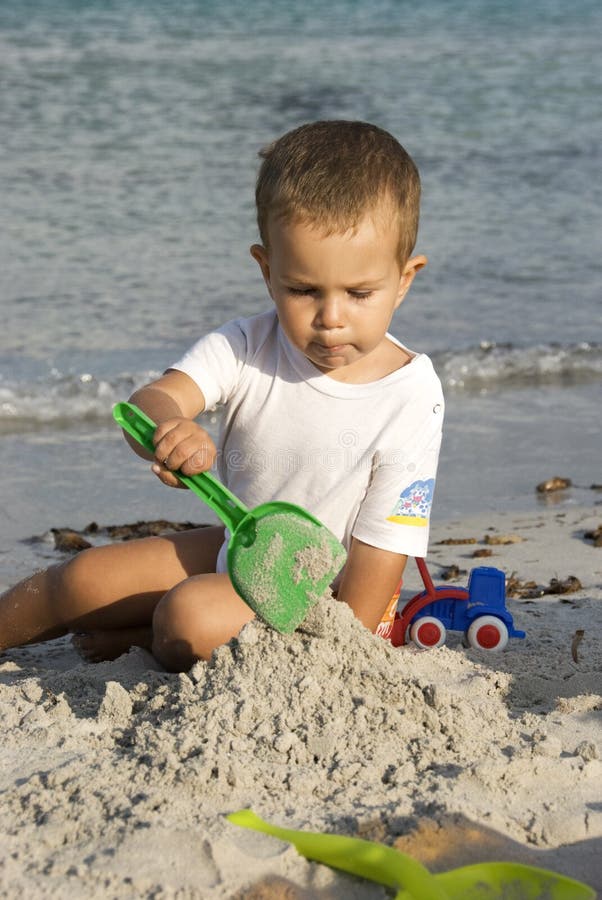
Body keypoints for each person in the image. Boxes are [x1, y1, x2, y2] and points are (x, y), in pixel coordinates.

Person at [0, 121, 444, 672]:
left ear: (404, 280)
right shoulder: (246, 346)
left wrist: (343, 644)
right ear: (267, 270)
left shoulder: (410, 394)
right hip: (242, 550)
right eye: (303, 290)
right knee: (79, 580)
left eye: (359, 293)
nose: (331, 318)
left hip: (333, 592)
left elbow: (383, 549)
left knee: (188, 615)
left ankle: (146, 635)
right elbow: (151, 402)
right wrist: (169, 429)